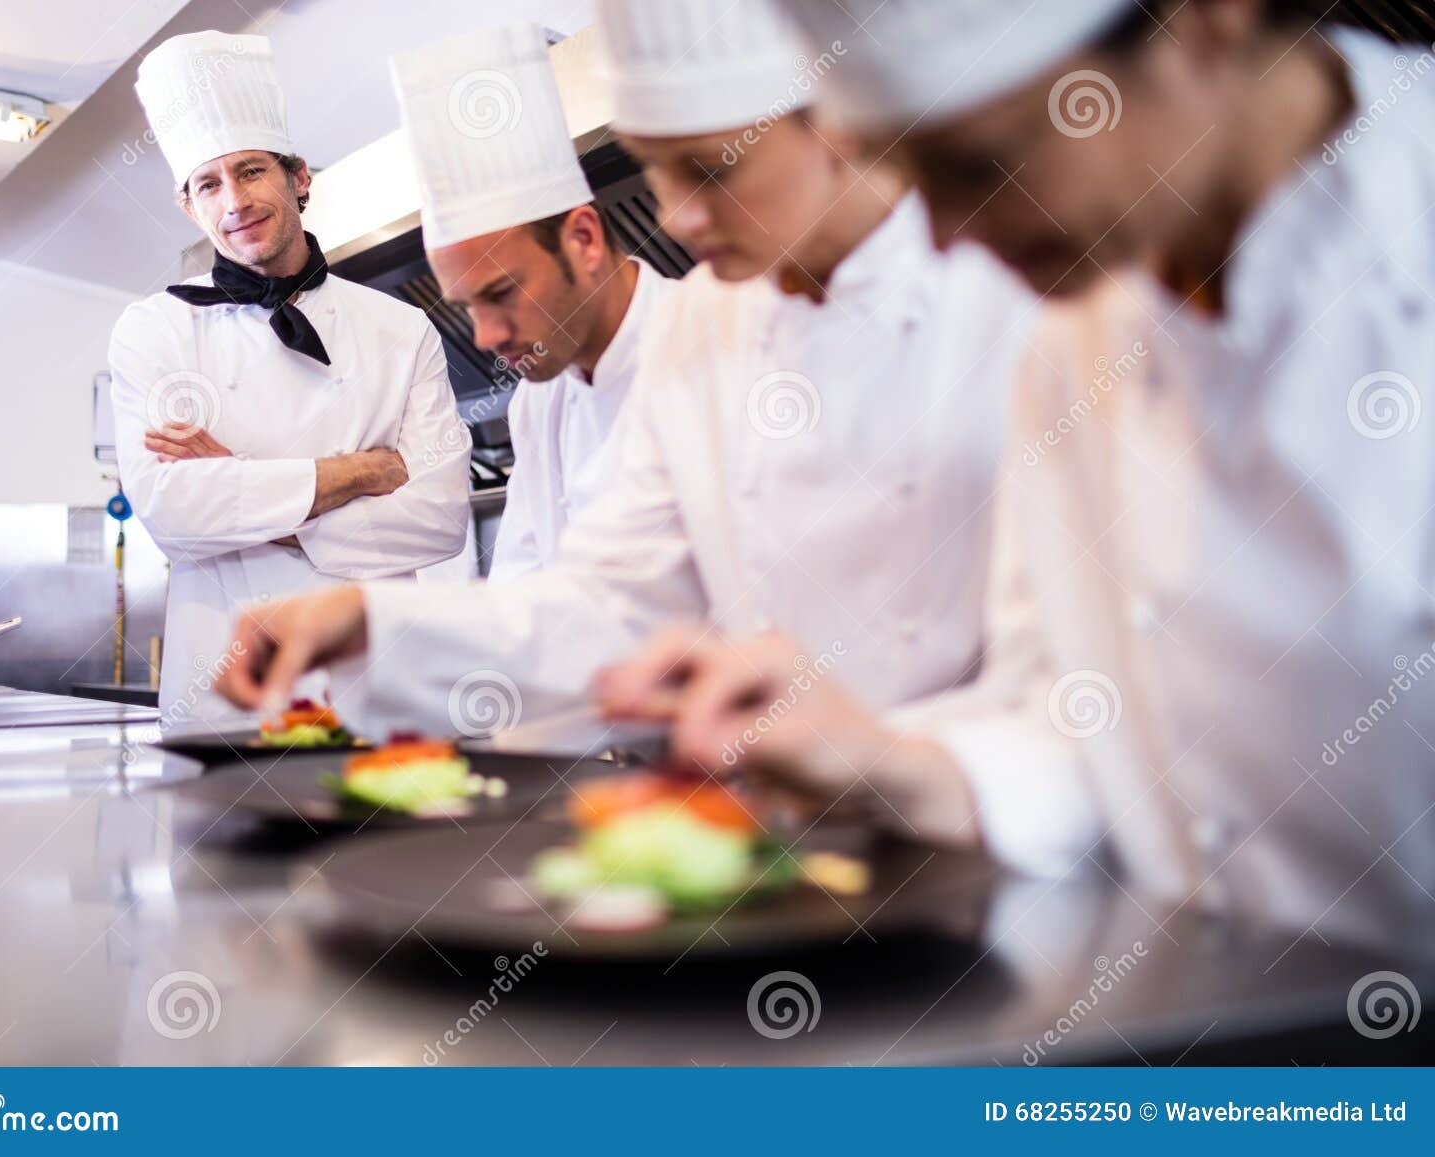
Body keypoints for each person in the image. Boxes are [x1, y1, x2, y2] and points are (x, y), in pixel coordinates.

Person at [617, 0, 1435, 944]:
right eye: (904, 173)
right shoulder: (1071, 342)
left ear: (1209, 19)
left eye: (980, 164)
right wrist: (886, 762)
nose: (944, 240)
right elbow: (1074, 716)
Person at [214, 0, 1028, 760]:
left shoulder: (1009, 287)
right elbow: (612, 600)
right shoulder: (709, 318)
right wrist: (370, 621)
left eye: (709, 171)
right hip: (772, 825)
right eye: (657, 171)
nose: (675, 217)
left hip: (987, 843)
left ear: (837, 128)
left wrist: (887, 758)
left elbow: (1073, 673)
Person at [109, 31, 471, 726]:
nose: (233, 200)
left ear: (299, 177)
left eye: (250, 172)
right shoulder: (153, 328)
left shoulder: (401, 329)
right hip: (220, 699)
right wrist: (363, 472)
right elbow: (173, 513)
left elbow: (441, 518)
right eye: (208, 184)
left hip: (373, 691)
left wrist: (243, 487)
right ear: (189, 207)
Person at [391, 23, 673, 580]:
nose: (485, 338)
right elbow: (523, 587)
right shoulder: (537, 402)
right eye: (466, 306)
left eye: (500, 293)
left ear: (584, 239)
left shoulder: (709, 354)